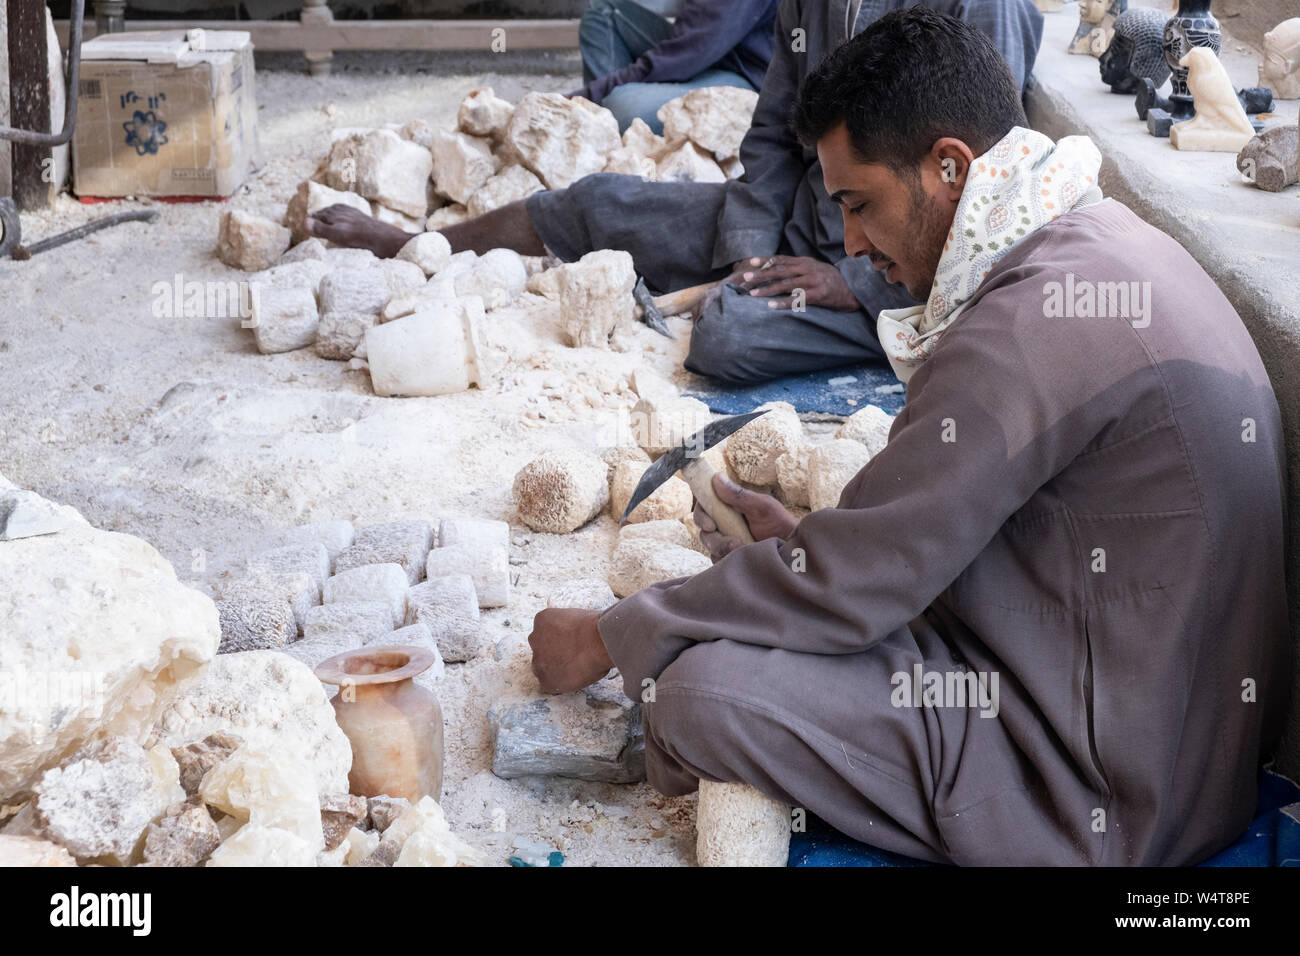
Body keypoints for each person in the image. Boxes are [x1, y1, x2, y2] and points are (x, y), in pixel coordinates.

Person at [525, 8, 1291, 866]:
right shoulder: (1086, 242)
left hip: (1106, 794)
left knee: (696, 689)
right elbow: (927, 549)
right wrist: (826, 550)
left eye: (859, 205)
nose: (851, 242)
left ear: (950, 168)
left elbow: (853, 589)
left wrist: (613, 634)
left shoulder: (1024, 327)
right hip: (1155, 727)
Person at [307, 0, 1045, 386]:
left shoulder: (989, 6)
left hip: (904, 274)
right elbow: (773, 140)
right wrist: (751, 255)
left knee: (729, 333)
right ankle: (414, 243)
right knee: (599, 203)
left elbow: (987, 200)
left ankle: (868, 334)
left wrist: (847, 282)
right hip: (798, 226)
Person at [574, 0, 780, 134]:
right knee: (604, 15)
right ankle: (606, 132)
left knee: (621, 106)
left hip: (750, 76)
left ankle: (604, 125)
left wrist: (587, 96)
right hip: (714, 49)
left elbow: (687, 54)